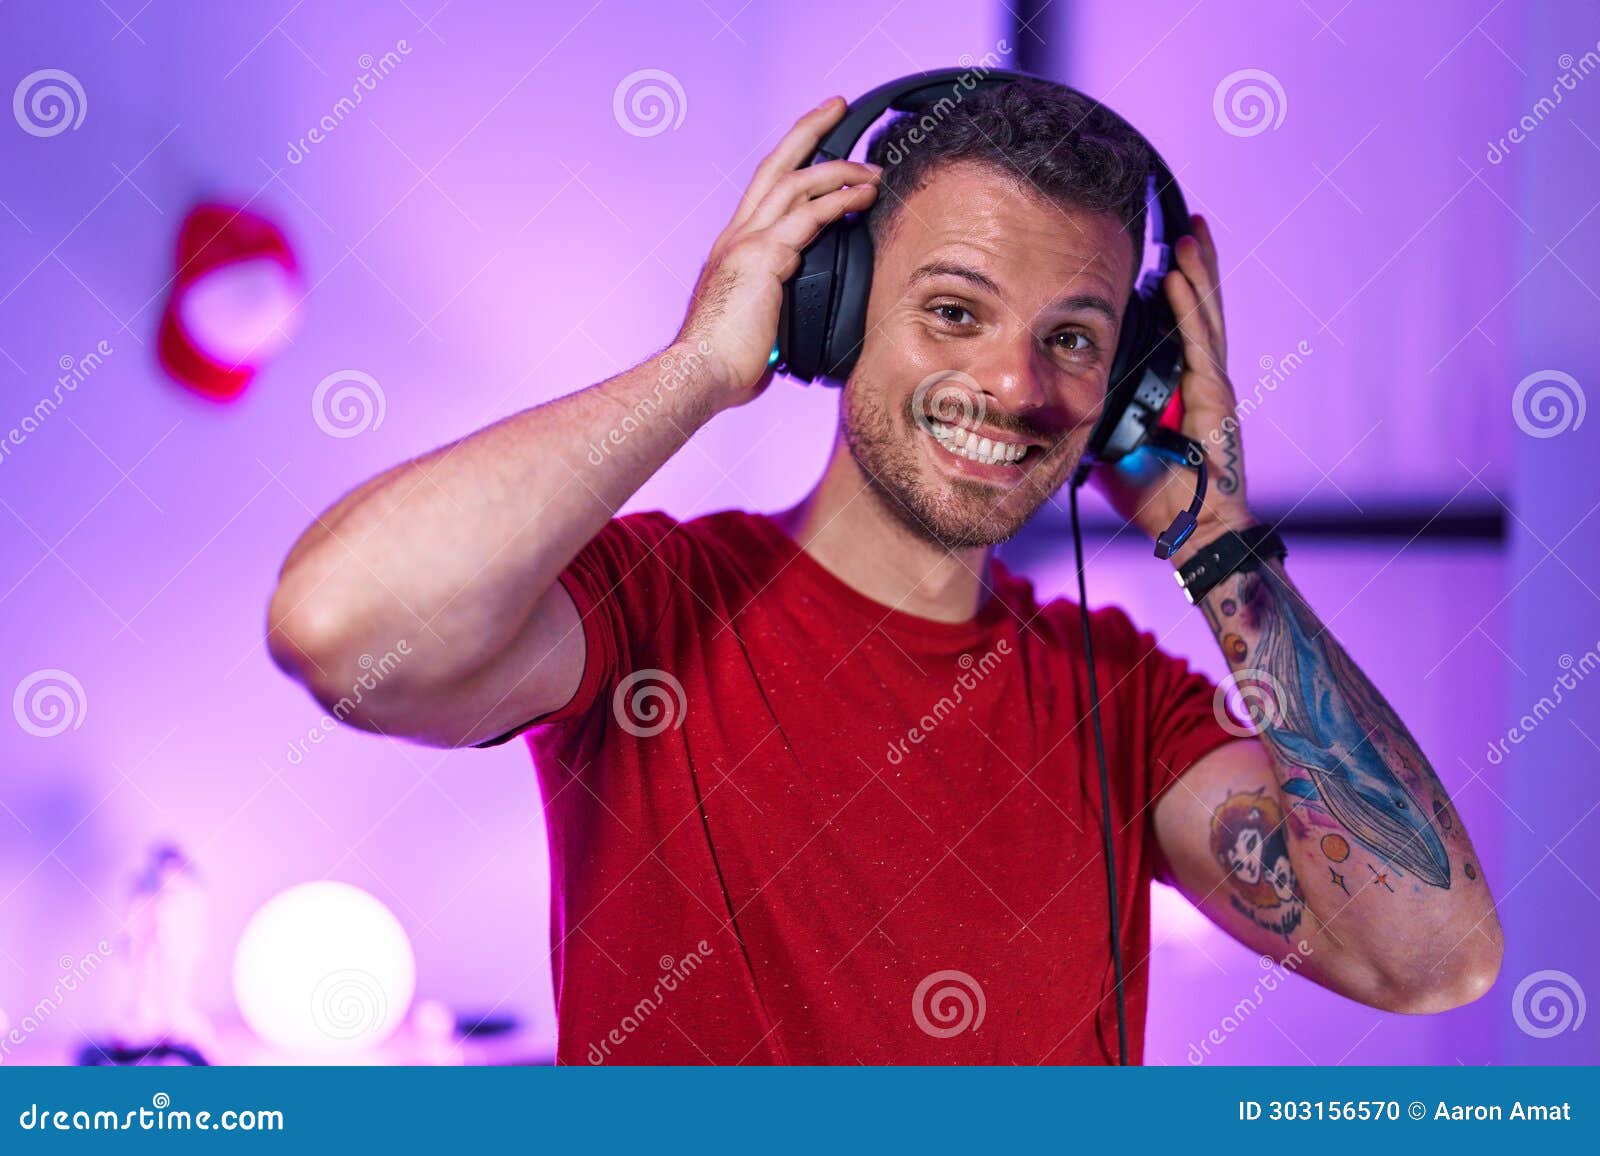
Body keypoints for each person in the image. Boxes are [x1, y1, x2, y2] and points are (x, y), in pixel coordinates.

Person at [266, 78, 1502, 1064]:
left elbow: (1429, 955)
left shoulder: (1119, 700)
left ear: (1126, 383)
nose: (1018, 388)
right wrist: (698, 364)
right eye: (955, 312)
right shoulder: (652, 610)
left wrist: (1215, 538)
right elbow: (337, 624)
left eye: (1072, 339)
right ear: (832, 310)